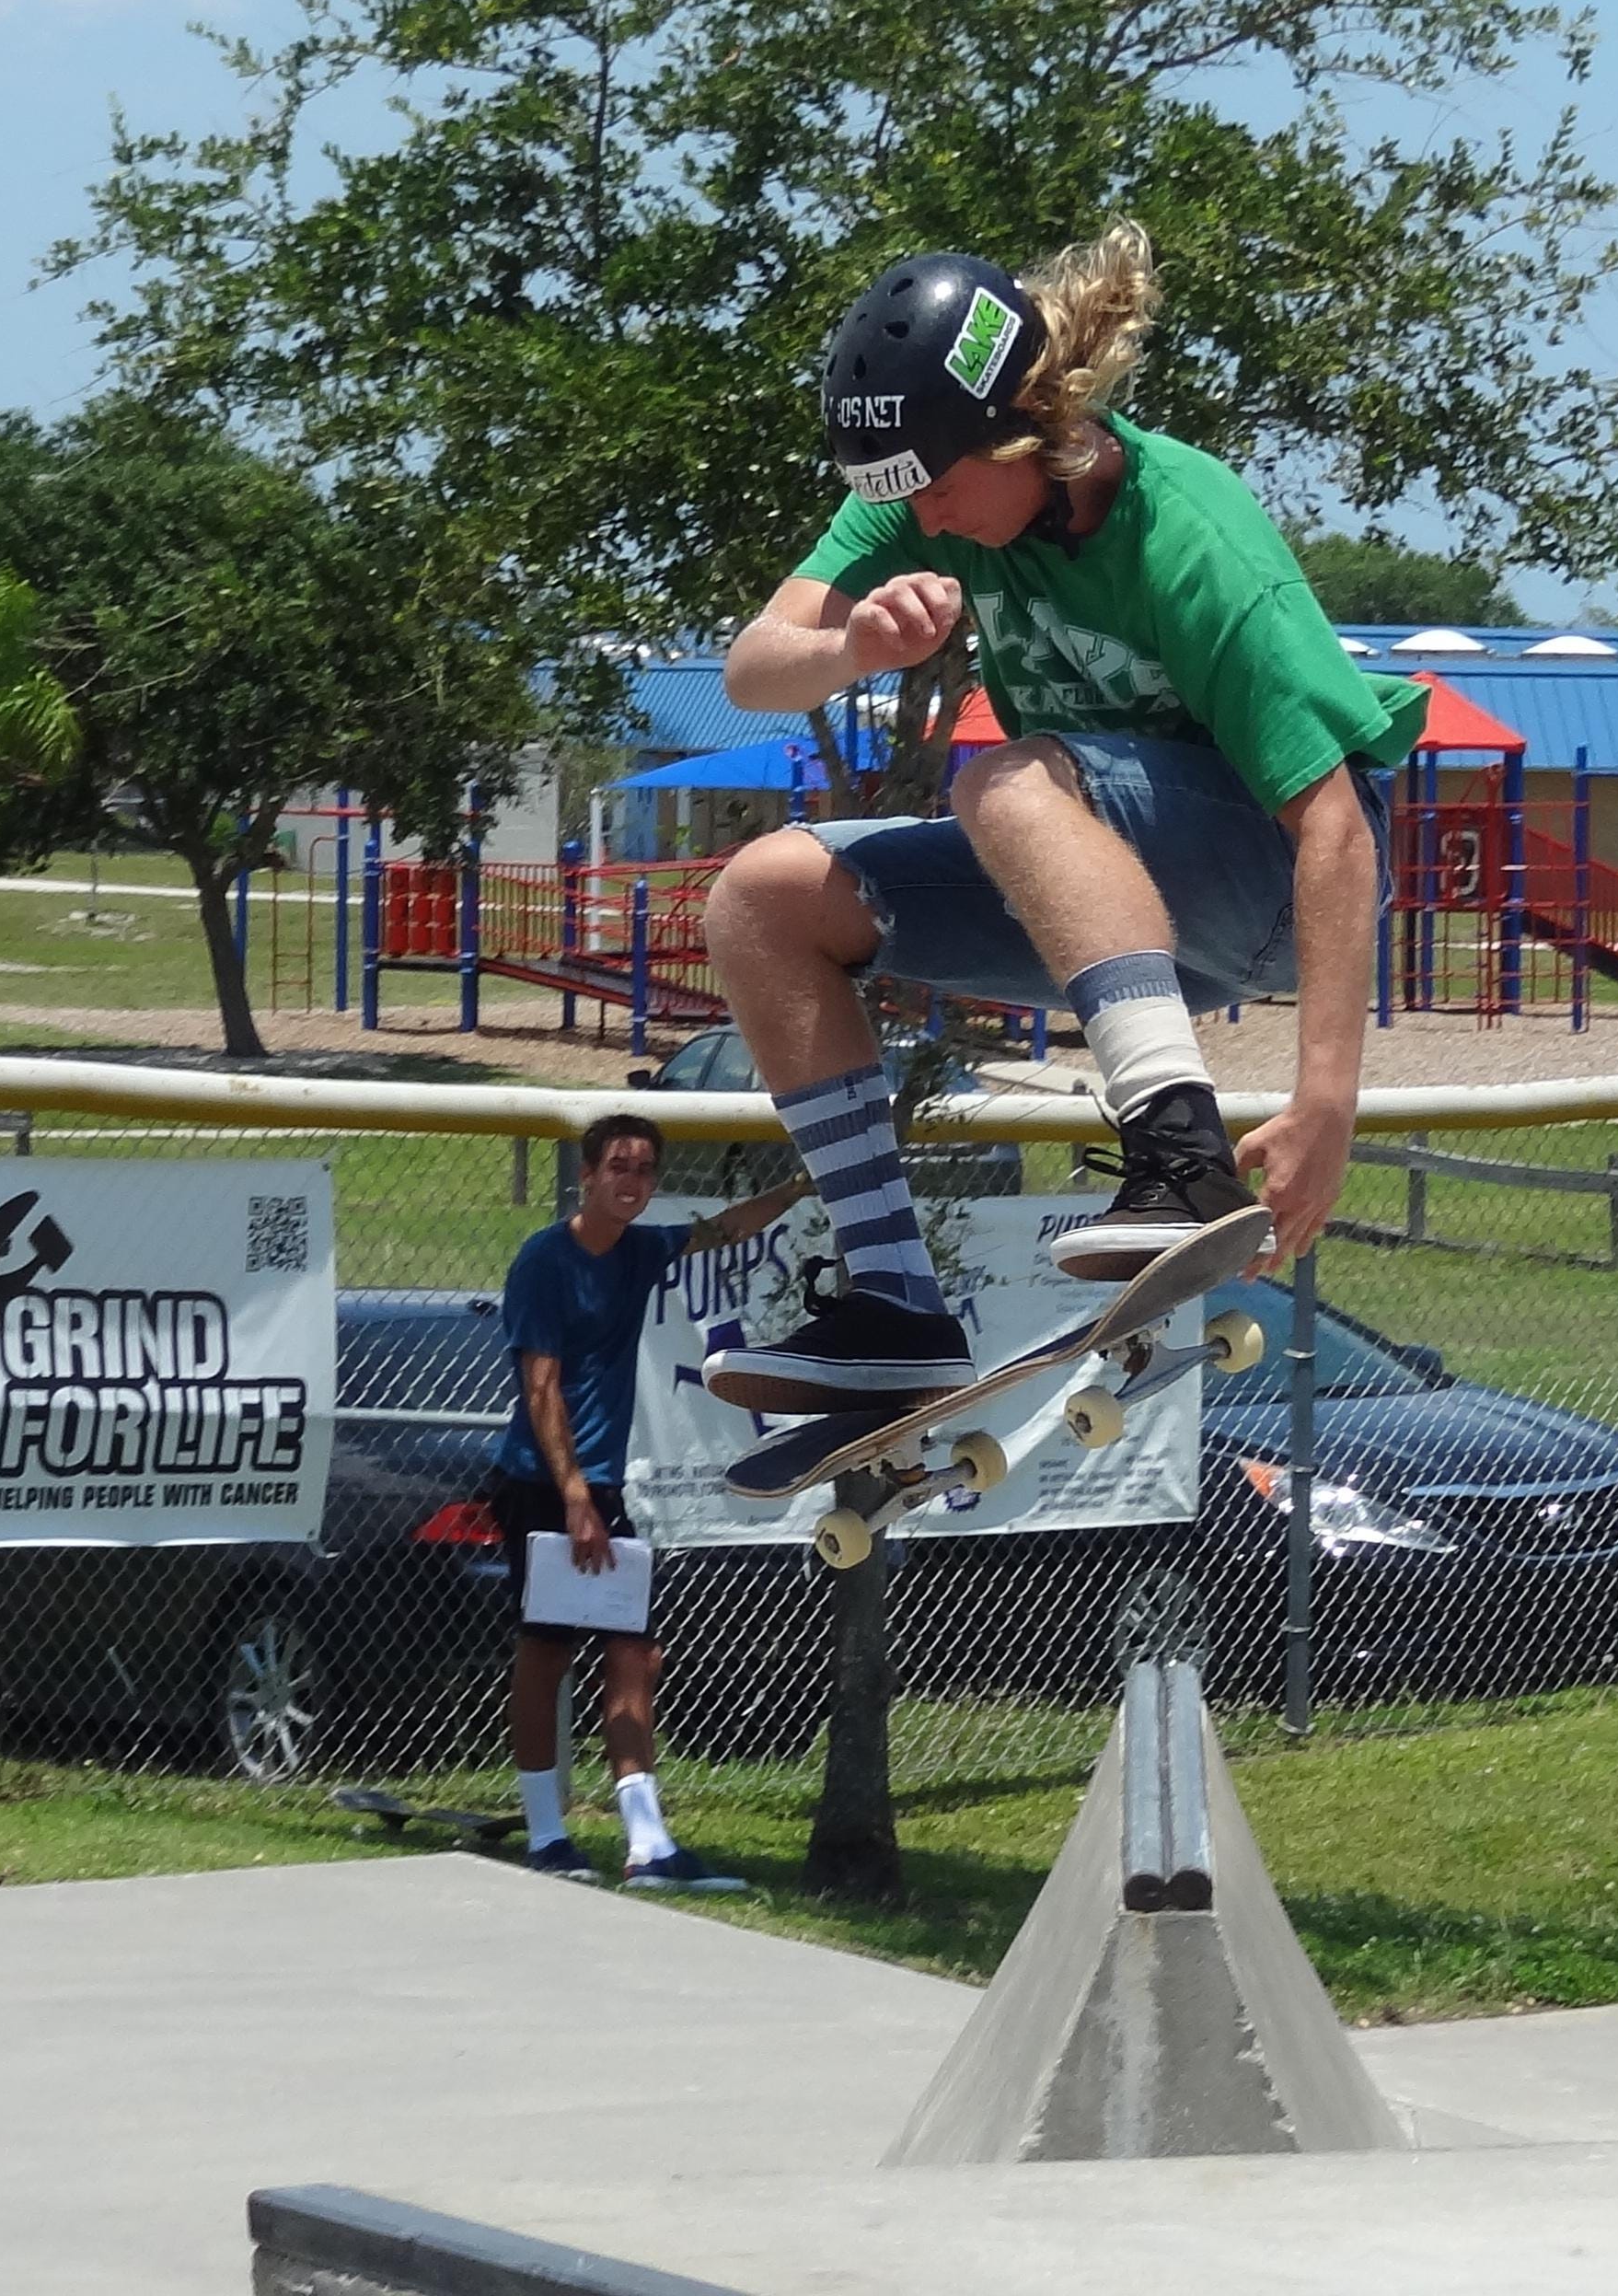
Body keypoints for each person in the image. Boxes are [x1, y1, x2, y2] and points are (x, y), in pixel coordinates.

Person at [699, 222, 1415, 1410]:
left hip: (1273, 879)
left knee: (1005, 777)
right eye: (901, 500)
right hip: (1098, 891)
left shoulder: (1192, 536)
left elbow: (1335, 827)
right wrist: (851, 643)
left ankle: (1178, 1160)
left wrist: (1324, 1100)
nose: (922, 521)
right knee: (761, 900)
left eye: (935, 489)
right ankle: (891, 1303)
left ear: (1030, 428)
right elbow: (752, 671)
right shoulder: (930, 494)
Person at [493, 1113, 803, 1886]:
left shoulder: (641, 1249)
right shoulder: (544, 1261)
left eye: (645, 1170)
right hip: (542, 1486)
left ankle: (647, 1846)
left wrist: (803, 1185)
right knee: (548, 1653)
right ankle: (545, 1838)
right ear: (588, 1175)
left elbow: (724, 1229)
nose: (632, 1181)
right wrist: (572, 1497)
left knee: (635, 1654)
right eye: (618, 1167)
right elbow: (540, 1385)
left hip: (598, 1486)